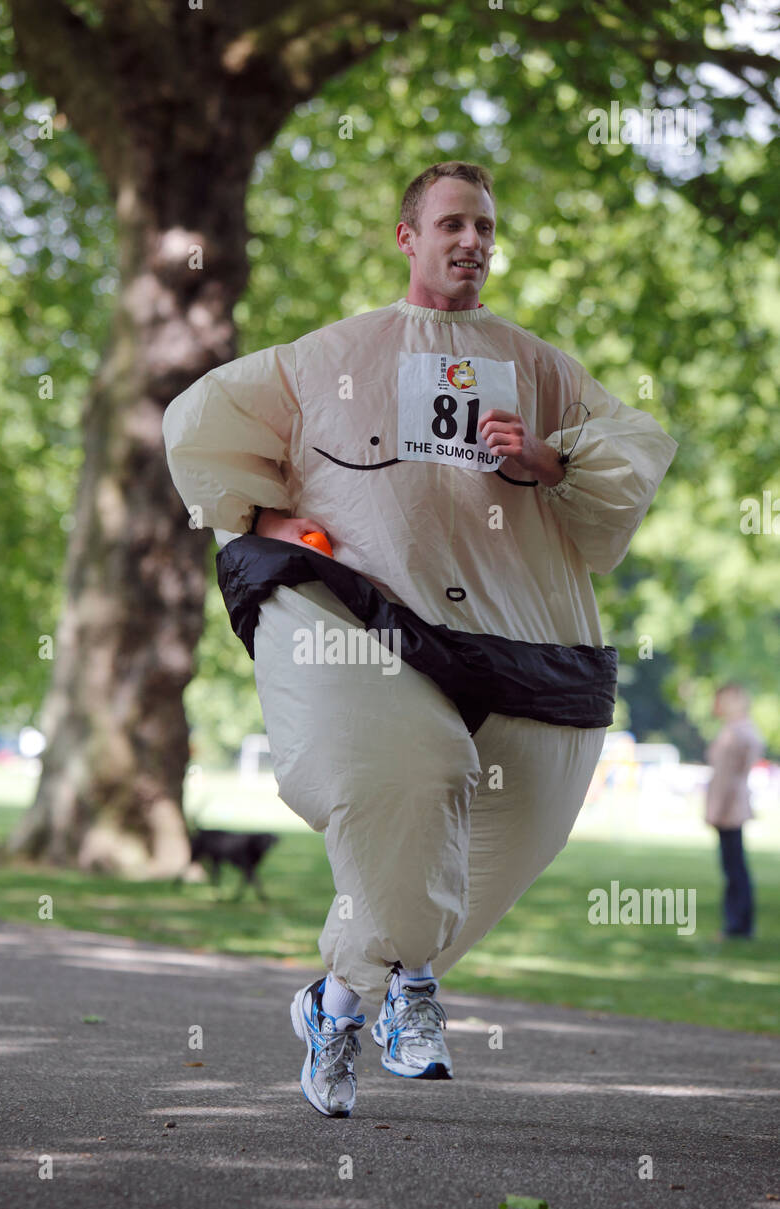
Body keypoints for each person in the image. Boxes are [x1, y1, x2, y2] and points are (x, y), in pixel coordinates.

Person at [162, 160, 678, 1118]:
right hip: (369, 624)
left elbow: (632, 447)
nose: (471, 241)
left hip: (511, 638)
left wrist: (545, 458)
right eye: (451, 224)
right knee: (415, 770)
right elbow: (204, 424)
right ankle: (415, 996)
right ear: (408, 238)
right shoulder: (331, 356)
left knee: (512, 835)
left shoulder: (537, 365)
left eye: (484, 226)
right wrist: (267, 519)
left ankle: (341, 1001)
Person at [705, 683, 764, 938]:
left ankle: (738, 924)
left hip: (732, 808)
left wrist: (718, 810)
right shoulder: (731, 730)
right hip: (726, 807)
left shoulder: (741, 731)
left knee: (735, 868)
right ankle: (737, 923)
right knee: (732, 866)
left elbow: (735, 772)